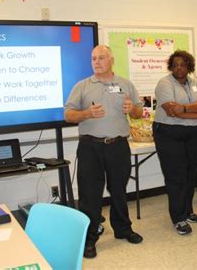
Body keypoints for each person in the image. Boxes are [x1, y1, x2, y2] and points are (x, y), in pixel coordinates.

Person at [64, 45, 143, 259]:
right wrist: (86, 113)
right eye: (93, 58)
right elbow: (68, 114)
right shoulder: (82, 86)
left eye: (101, 58)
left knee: (118, 189)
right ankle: (89, 238)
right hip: (91, 146)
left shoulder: (125, 84)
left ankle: (123, 229)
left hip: (118, 145)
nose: (96, 62)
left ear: (111, 60)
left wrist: (132, 110)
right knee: (90, 194)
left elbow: (138, 112)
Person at [152, 50, 197, 235]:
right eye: (175, 64)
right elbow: (171, 111)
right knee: (176, 176)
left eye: (183, 64)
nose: (179, 68)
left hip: (194, 132)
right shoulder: (164, 83)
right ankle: (178, 218)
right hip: (169, 133)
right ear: (171, 66)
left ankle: (187, 210)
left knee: (191, 174)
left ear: (189, 66)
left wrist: (184, 108)